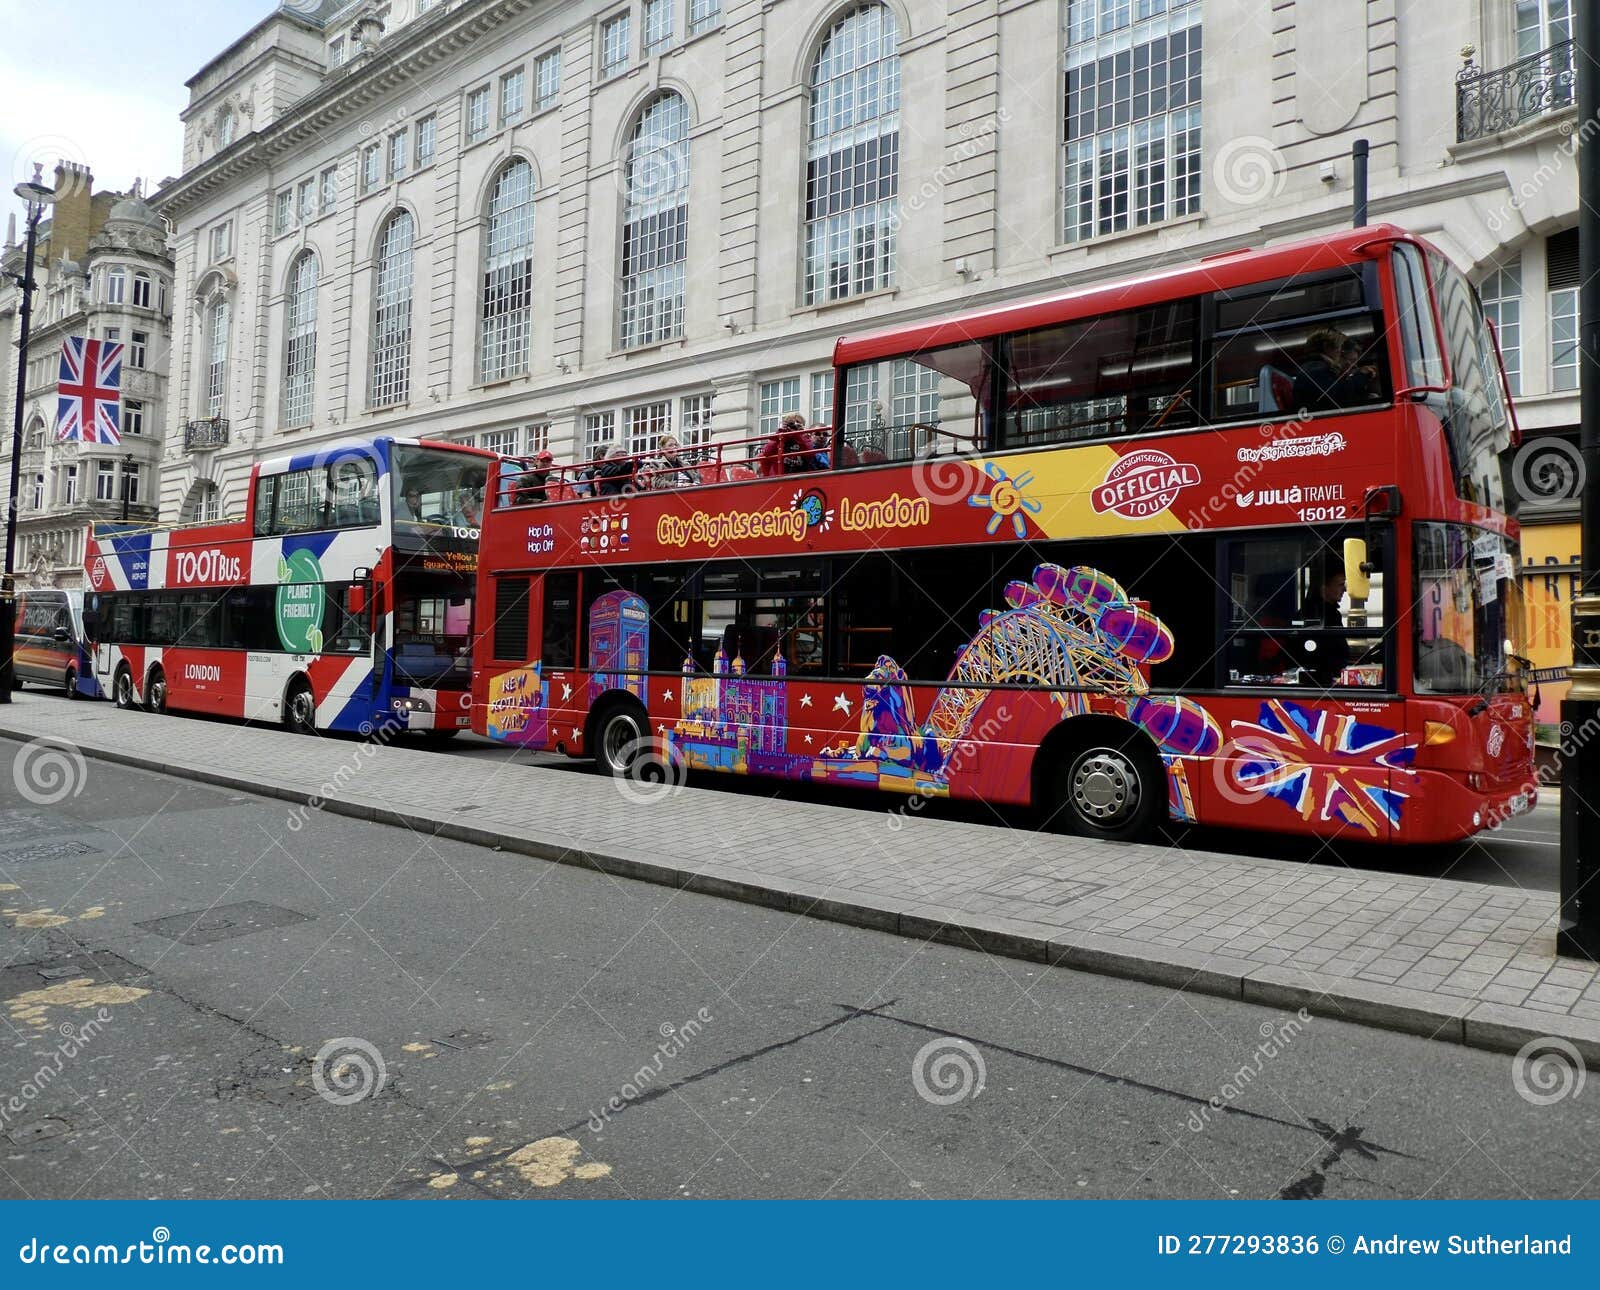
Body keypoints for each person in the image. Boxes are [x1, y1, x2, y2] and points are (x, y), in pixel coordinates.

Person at [1299, 560, 1351, 686]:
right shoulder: (1315, 613)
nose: (1344, 589)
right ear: (1324, 588)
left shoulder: (1331, 611)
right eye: (1340, 584)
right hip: (1321, 679)